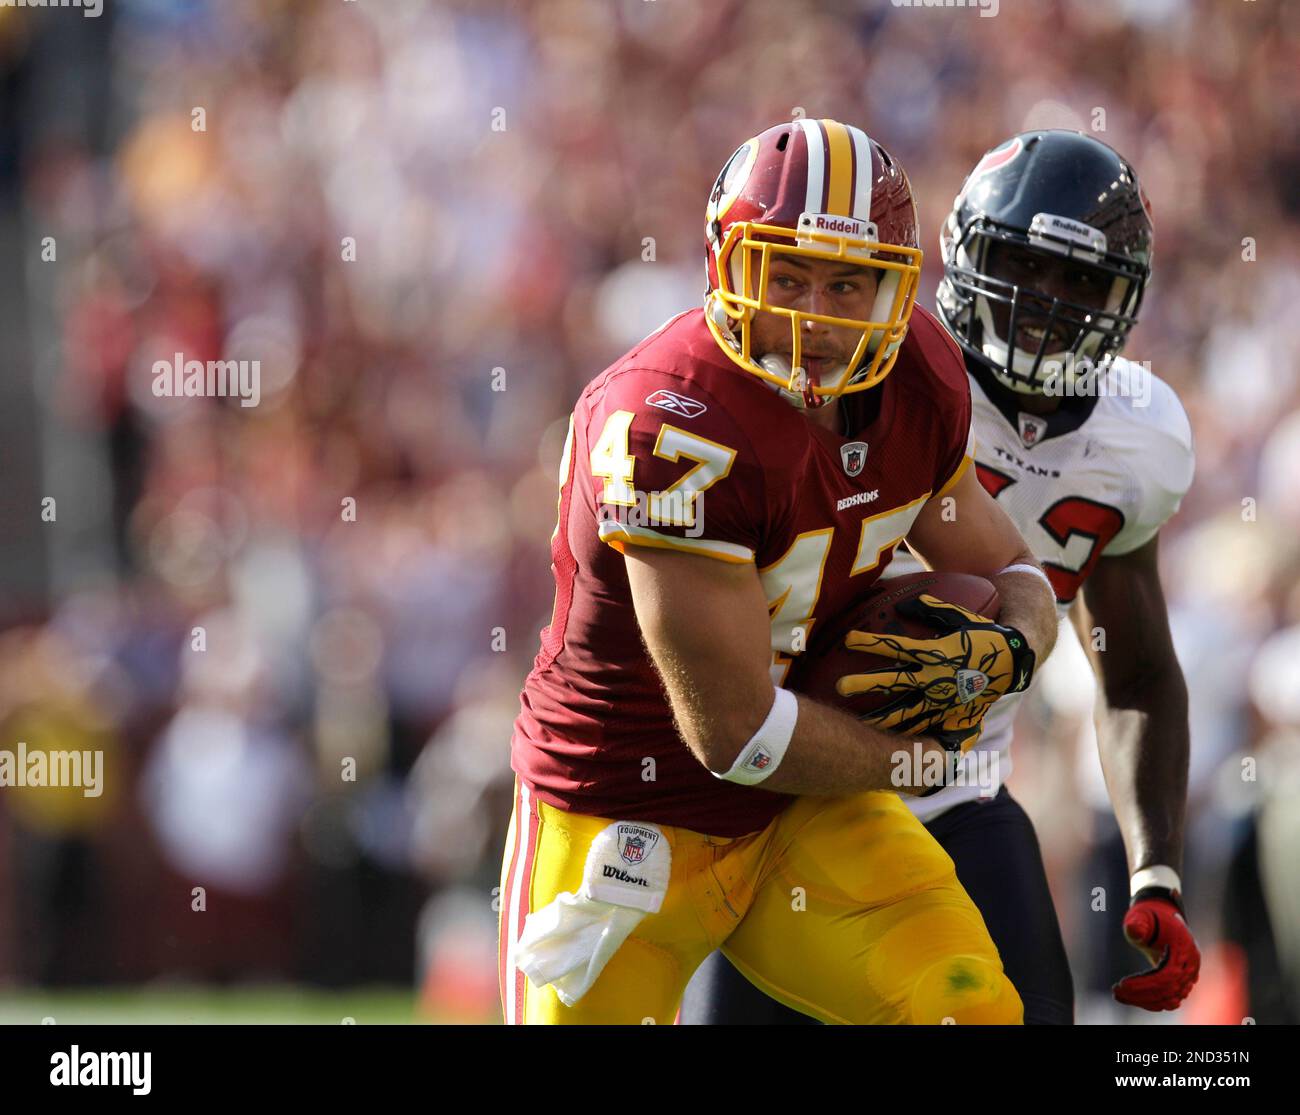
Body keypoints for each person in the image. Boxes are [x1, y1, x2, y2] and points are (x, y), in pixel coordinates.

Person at [499, 119, 1058, 1025]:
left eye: (847, 283)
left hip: (799, 804)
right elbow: (735, 736)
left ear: (895, 290)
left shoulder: (920, 381)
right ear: (728, 266)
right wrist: (915, 757)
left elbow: (1012, 570)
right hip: (623, 816)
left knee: (967, 1007)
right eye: (785, 274)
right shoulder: (672, 426)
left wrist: (1015, 650)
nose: (814, 313)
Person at [682, 130, 1200, 1026]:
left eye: (1082, 282)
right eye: (1024, 267)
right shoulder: (881, 371)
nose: (1046, 304)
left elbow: (1136, 666)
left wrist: (1155, 863)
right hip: (786, 795)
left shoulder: (1139, 437)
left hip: (956, 788)